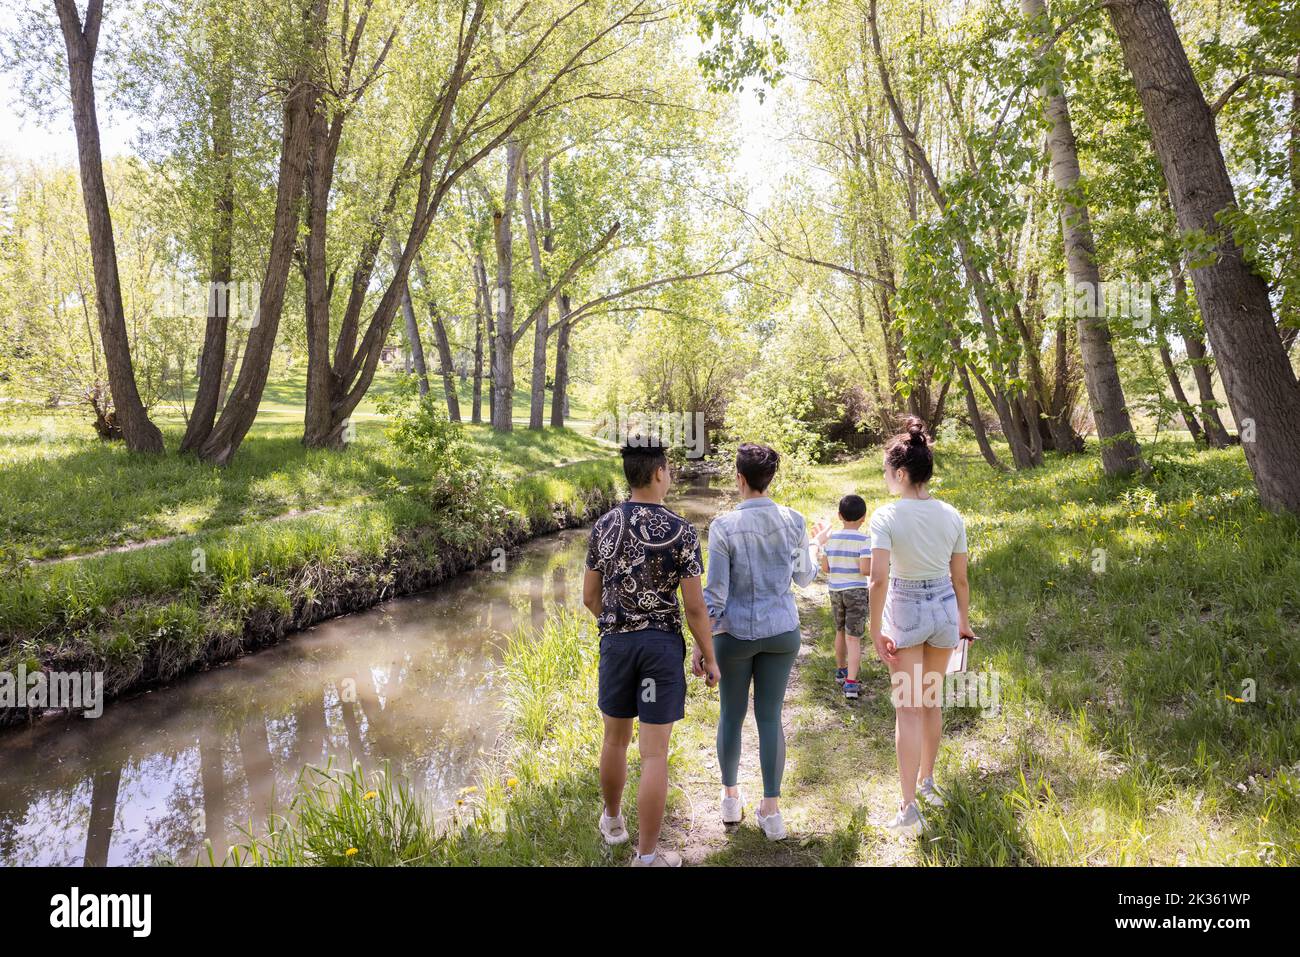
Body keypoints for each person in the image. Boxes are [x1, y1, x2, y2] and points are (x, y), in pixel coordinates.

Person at [583, 438, 719, 868]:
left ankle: (613, 822)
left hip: (617, 644)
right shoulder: (682, 531)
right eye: (670, 470)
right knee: (654, 753)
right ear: (659, 472)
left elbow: (590, 597)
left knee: (614, 740)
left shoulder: (603, 526)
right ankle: (646, 857)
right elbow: (695, 607)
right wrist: (708, 655)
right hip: (660, 648)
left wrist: (619, 621)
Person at [703, 443, 829, 840]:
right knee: (771, 717)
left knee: (730, 715)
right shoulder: (793, 520)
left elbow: (716, 595)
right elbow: (805, 579)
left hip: (733, 636)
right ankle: (771, 812)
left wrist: (701, 647)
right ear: (770, 479)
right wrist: (815, 543)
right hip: (781, 633)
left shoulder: (722, 526)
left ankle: (729, 800)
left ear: (739, 479)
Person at [867, 417, 974, 837]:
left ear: (901, 472)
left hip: (907, 608)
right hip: (945, 610)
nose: (885, 479)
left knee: (908, 708)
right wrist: (963, 621)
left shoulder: (886, 516)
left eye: (886, 472)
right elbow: (961, 578)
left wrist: (875, 630)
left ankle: (909, 806)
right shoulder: (951, 515)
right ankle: (929, 784)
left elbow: (877, 580)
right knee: (930, 701)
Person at [820, 494, 872, 700]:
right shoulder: (865, 539)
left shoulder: (831, 539)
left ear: (839, 516)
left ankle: (841, 671)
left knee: (840, 631)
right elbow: (865, 569)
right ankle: (851, 683)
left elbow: (825, 568)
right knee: (854, 637)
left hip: (836, 591)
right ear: (863, 518)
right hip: (857, 592)